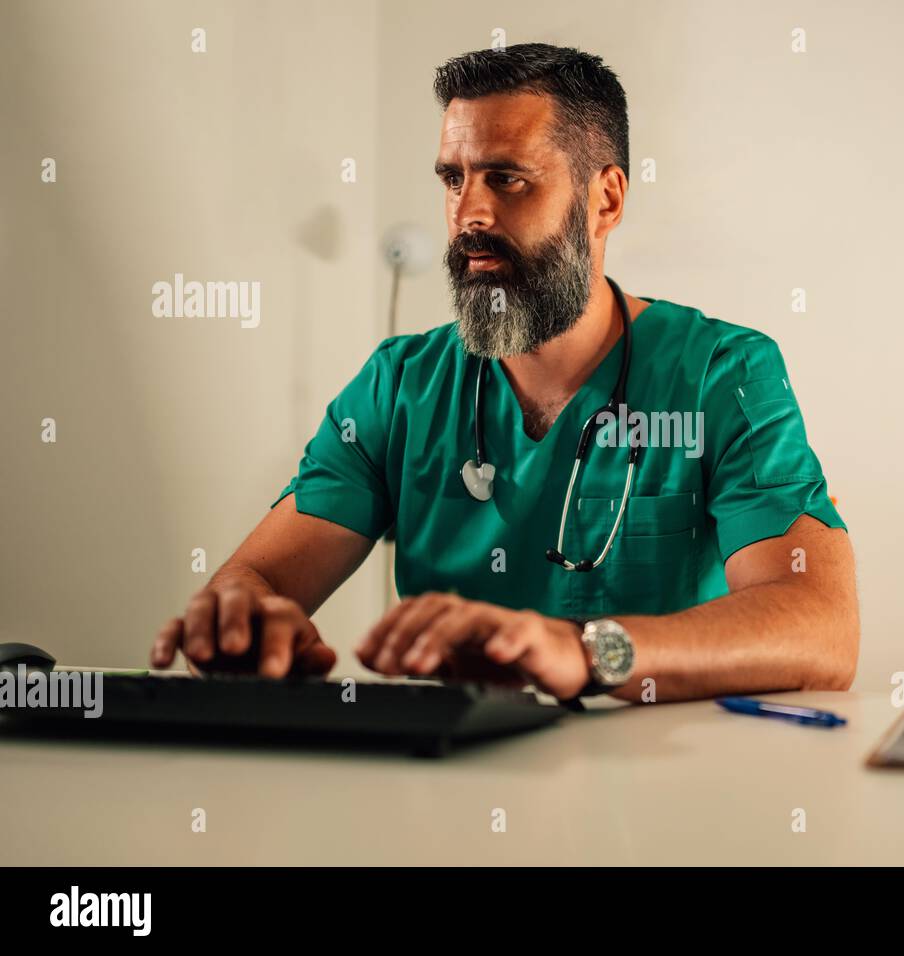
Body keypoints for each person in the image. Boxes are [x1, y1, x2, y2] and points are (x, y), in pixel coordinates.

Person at [151, 43, 859, 704]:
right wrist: (242, 614)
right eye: (453, 179)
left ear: (605, 200)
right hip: (452, 786)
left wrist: (587, 652)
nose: (468, 215)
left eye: (508, 180)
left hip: (659, 796)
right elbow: (263, 577)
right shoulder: (400, 386)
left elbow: (820, 625)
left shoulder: (721, 375)